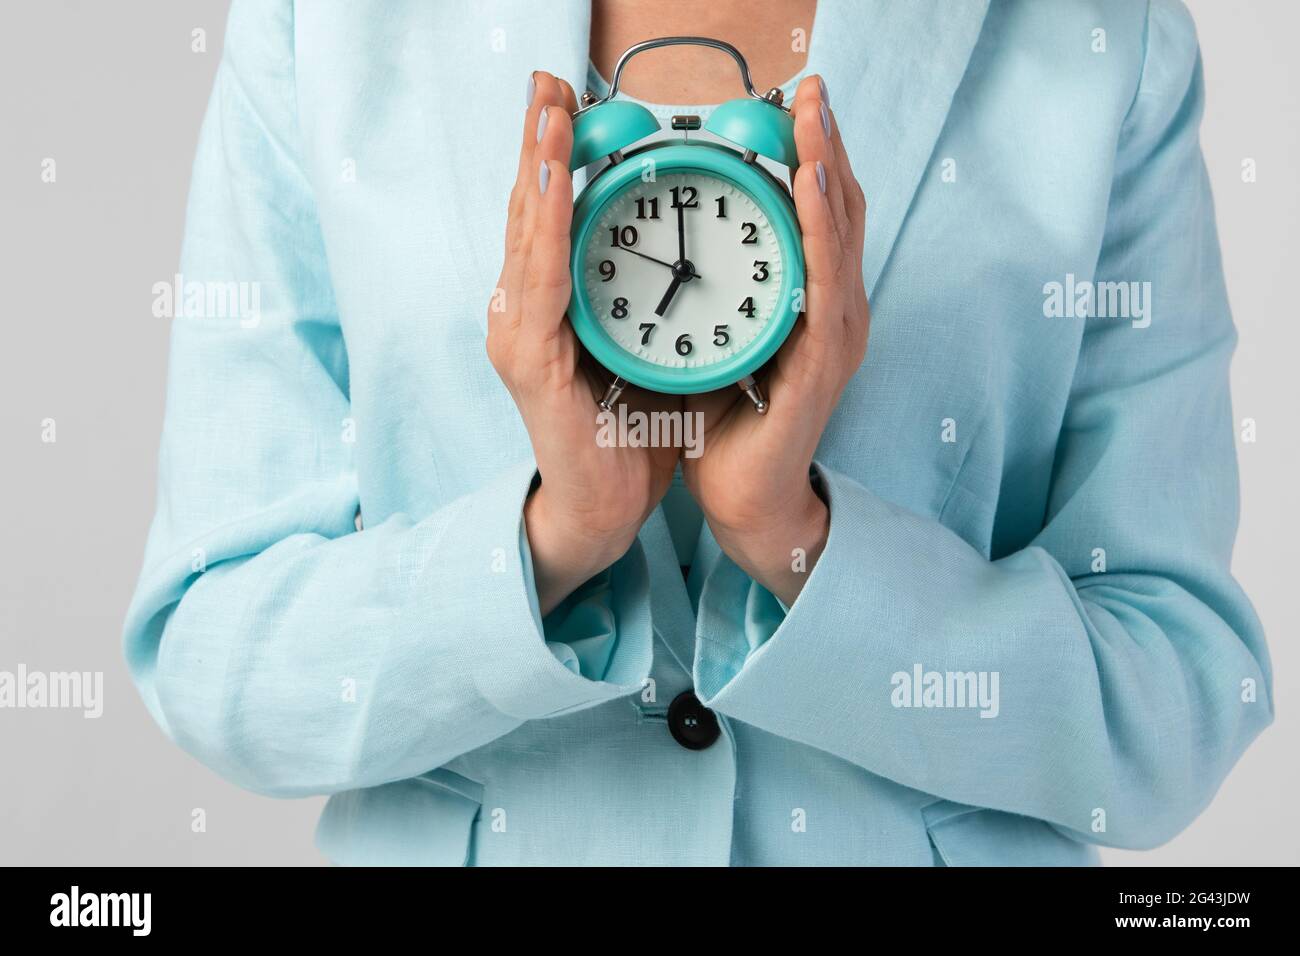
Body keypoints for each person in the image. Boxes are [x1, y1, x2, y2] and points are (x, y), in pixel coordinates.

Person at [124, 0, 1272, 865]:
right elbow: (213, 645)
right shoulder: (326, 26)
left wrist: (803, 545)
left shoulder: (1095, 37)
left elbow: (1175, 692)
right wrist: (549, 543)